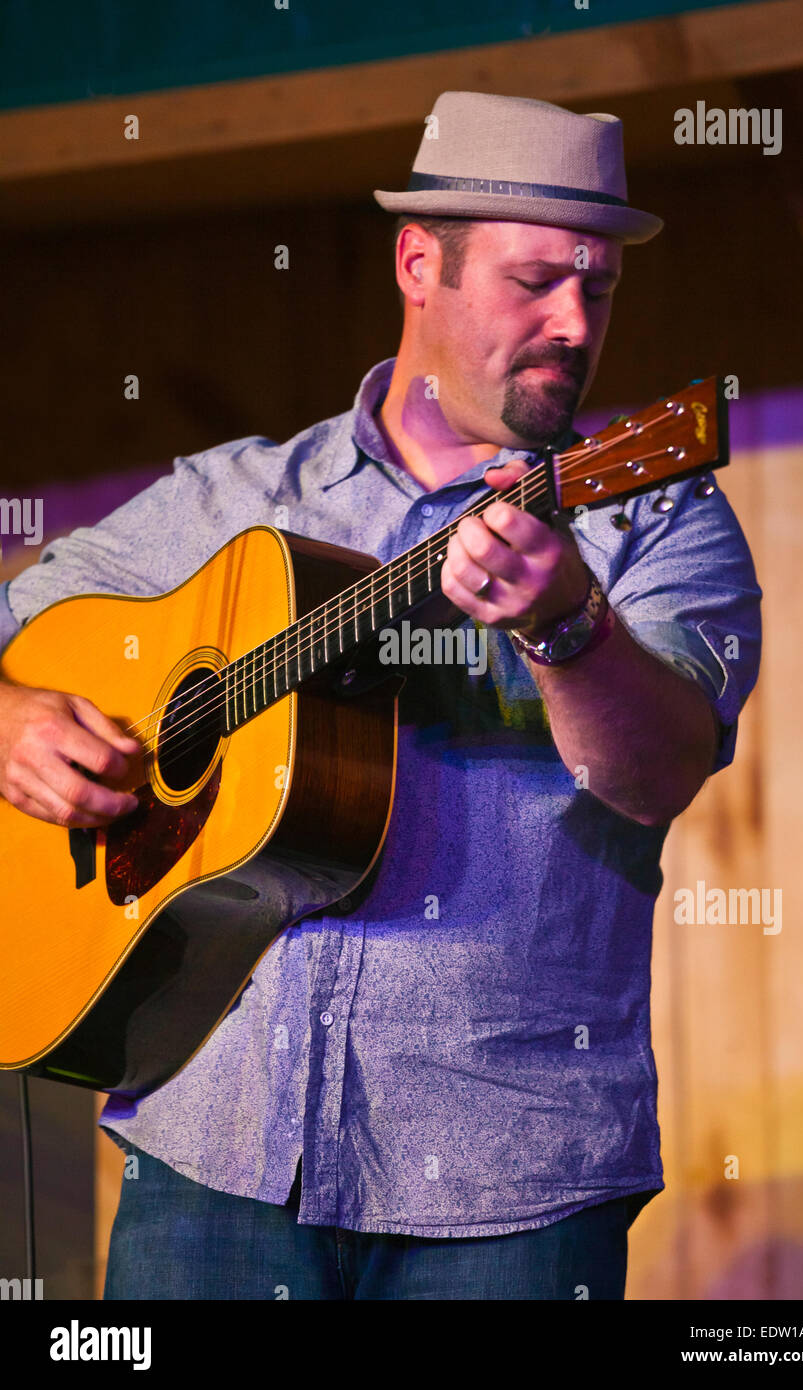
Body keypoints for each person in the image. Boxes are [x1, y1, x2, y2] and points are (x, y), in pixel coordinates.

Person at [0, 91, 761, 1300]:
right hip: (209, 1160)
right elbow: (19, 625)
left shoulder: (651, 509)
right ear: (418, 264)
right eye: (534, 282)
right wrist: (12, 716)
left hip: (511, 1191)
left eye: (598, 289)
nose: (572, 323)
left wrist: (567, 625)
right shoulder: (235, 498)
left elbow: (657, 769)